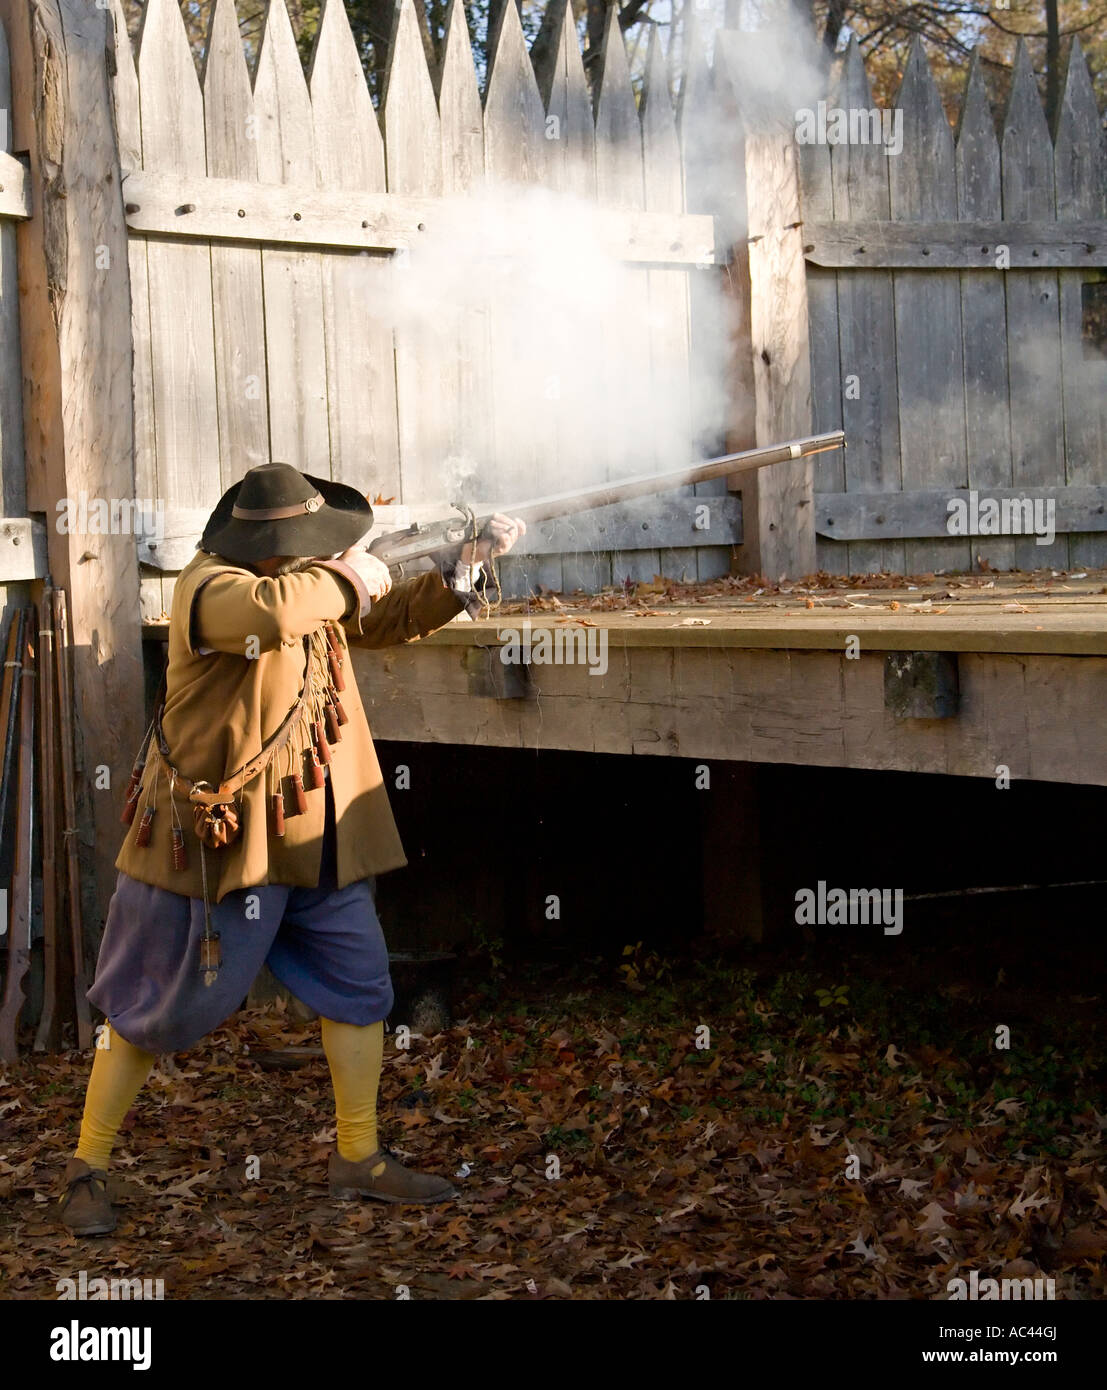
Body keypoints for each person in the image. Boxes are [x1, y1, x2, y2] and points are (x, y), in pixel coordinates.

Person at [59, 462, 525, 1234]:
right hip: (214, 841)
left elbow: (382, 619)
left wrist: (460, 568)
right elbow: (273, 617)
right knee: (148, 1004)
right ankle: (87, 1167)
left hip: (320, 830)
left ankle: (358, 1156)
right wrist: (353, 572)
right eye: (306, 544)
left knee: (358, 986)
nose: (319, 553)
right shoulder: (212, 590)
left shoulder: (308, 584)